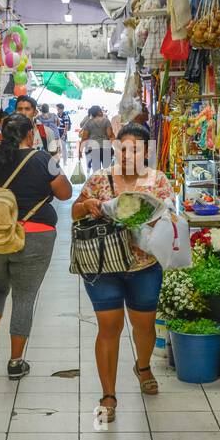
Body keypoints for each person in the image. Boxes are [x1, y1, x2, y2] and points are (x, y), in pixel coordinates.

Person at [71, 122, 173, 422]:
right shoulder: (100, 180)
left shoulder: (158, 181)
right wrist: (86, 204)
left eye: (135, 149)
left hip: (145, 265)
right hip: (104, 264)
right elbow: (76, 211)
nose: (128, 154)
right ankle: (108, 394)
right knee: (109, 326)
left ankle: (142, 367)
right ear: (116, 149)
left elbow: (168, 217)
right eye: (123, 148)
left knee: (143, 325)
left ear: (146, 151)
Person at [0, 114, 72, 380]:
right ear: (30, 135)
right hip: (34, 234)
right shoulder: (42, 160)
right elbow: (65, 193)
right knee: (24, 296)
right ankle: (16, 362)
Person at [77, 105, 113, 174]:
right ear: (99, 112)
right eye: (101, 111)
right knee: (108, 171)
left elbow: (84, 138)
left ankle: (98, 184)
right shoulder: (106, 121)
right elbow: (109, 135)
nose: (102, 112)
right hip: (105, 148)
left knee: (96, 171)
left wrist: (80, 151)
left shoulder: (89, 122)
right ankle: (108, 183)